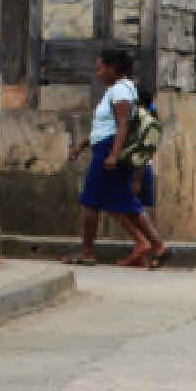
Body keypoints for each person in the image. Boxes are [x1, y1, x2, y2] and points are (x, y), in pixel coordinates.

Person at [66, 45, 167, 268]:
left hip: (109, 149)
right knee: (122, 201)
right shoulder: (118, 89)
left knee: (91, 201)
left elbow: (123, 125)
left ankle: (88, 251)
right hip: (105, 146)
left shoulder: (121, 90)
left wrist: (112, 155)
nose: (98, 73)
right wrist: (82, 146)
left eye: (101, 68)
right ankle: (154, 243)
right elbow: (104, 128)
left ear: (113, 68)